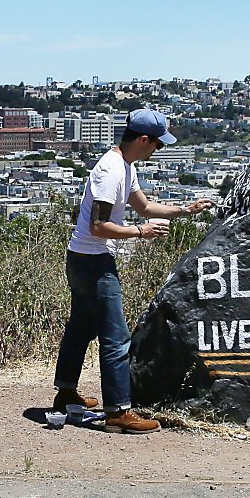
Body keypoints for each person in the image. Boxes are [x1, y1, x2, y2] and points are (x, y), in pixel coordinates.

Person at [51, 109, 212, 434]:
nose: (158, 150)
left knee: (81, 327)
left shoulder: (124, 165)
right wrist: (141, 232)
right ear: (143, 140)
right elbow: (98, 226)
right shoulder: (111, 171)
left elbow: (144, 206)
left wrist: (185, 209)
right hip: (94, 261)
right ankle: (118, 411)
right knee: (116, 335)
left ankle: (66, 393)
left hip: (80, 258)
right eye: (157, 144)